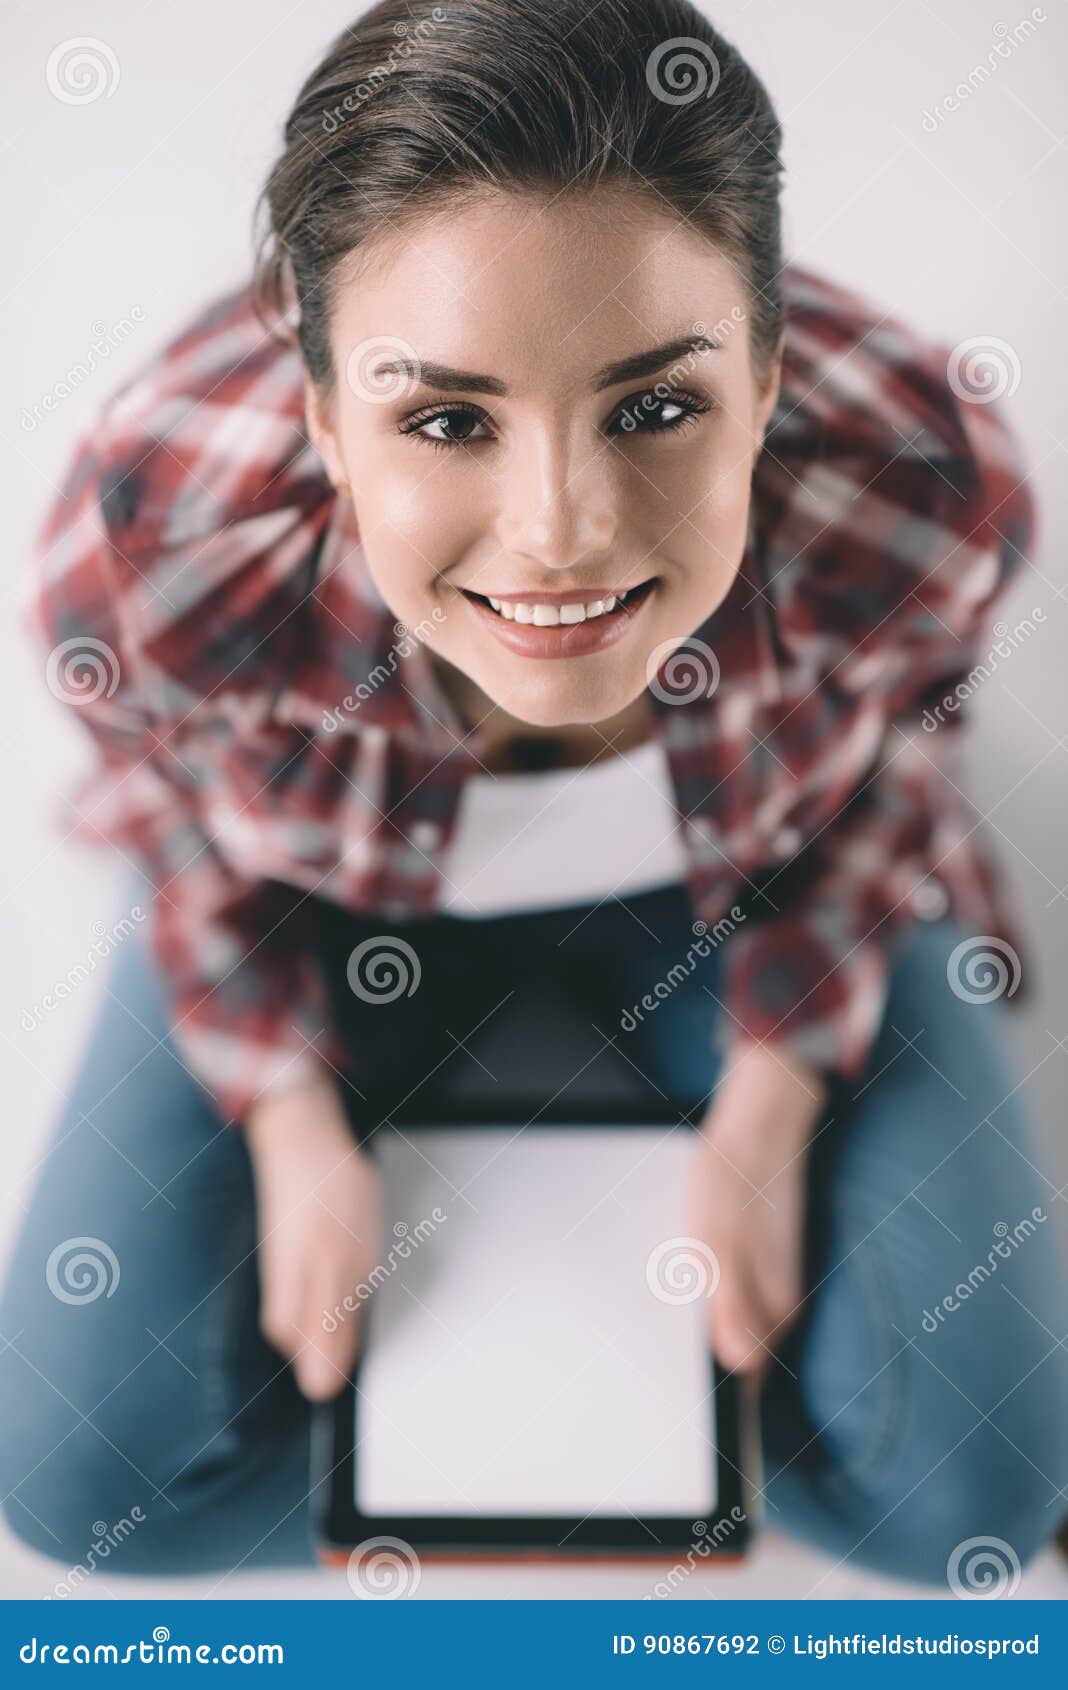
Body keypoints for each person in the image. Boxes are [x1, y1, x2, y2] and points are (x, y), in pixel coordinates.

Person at [2, 0, 1065, 1588]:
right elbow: (177, 823)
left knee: (977, 1498)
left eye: (655, 408)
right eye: (445, 419)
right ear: (324, 423)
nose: (560, 531)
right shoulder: (164, 532)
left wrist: (774, 1095)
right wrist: (292, 1119)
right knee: (83, 1485)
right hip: (326, 907)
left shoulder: (916, 481)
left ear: (767, 383)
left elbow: (890, 775)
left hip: (746, 891)